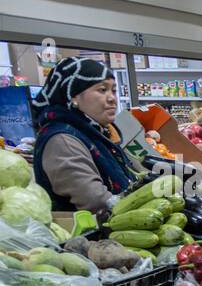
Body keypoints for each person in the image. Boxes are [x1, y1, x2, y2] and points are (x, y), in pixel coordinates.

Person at [32, 56, 141, 216]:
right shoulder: (62, 140)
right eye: (102, 90)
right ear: (73, 96)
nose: (112, 98)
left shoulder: (96, 132)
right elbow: (96, 201)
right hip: (92, 238)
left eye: (113, 90)